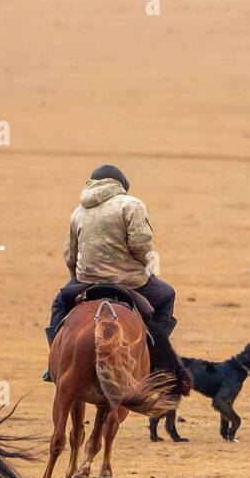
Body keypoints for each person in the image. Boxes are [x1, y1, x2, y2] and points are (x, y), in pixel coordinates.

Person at [46, 165, 181, 387]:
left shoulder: (78, 211)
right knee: (167, 295)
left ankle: (55, 363)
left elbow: (70, 255)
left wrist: (77, 279)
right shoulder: (132, 205)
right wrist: (145, 264)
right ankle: (156, 361)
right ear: (121, 184)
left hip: (86, 281)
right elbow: (141, 244)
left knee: (59, 304)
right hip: (129, 281)